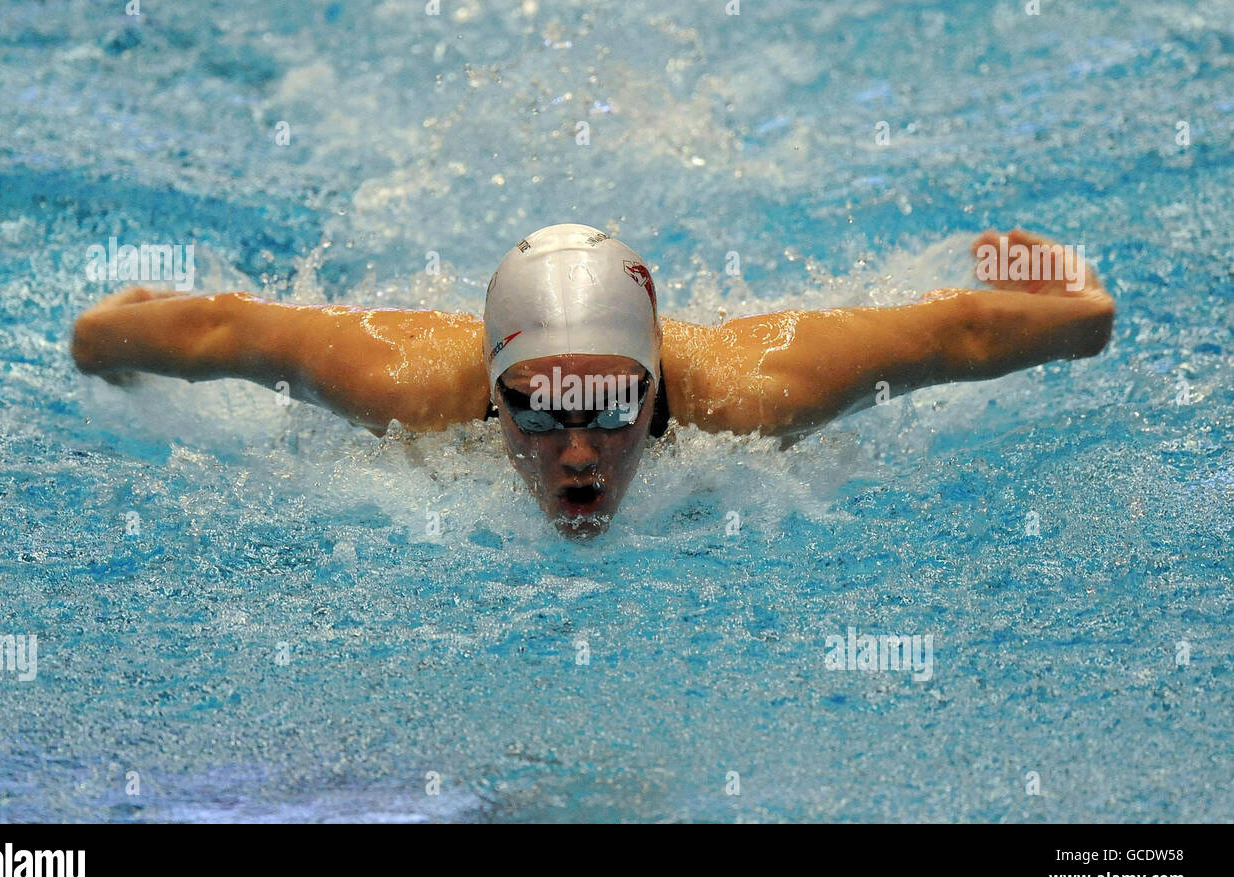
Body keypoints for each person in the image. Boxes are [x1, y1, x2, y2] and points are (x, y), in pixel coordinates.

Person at [71, 223, 1115, 537]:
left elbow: (971, 335)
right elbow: (224, 330)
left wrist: (1057, 286)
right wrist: (104, 339)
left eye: (612, 408)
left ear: (658, 392)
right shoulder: (406, 385)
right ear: (492, 393)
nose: (576, 452)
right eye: (539, 411)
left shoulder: (754, 392)